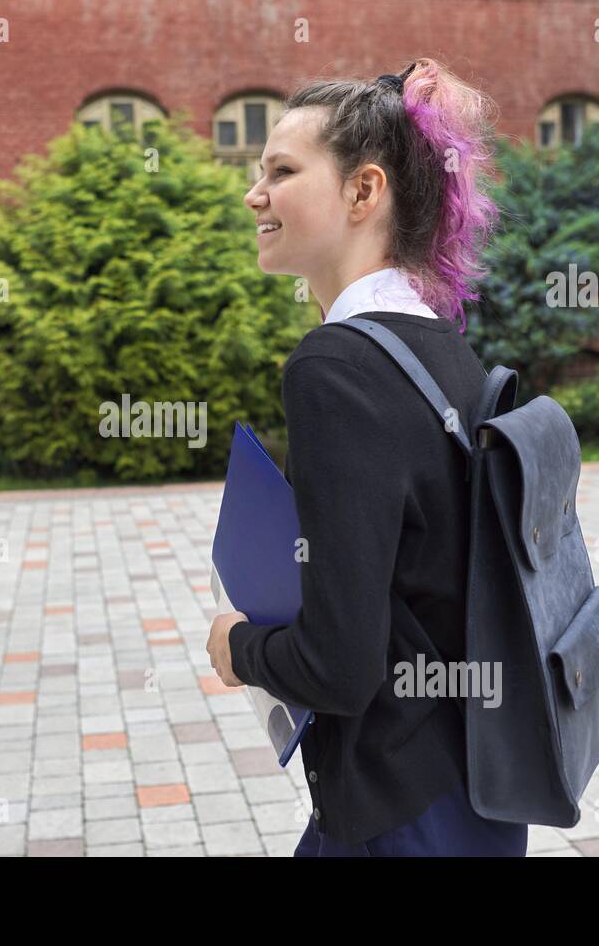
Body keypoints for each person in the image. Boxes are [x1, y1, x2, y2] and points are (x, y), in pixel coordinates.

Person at [204, 57, 527, 857]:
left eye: (281, 172)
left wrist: (236, 647)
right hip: (477, 786)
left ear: (363, 191)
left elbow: (340, 664)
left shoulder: (335, 366)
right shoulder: (443, 350)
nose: (255, 195)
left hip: (396, 811)